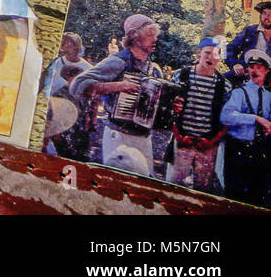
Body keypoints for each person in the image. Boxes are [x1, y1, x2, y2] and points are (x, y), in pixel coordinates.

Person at [69, 14, 163, 174]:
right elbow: (77, 85)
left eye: (155, 35)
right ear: (134, 37)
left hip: (144, 138)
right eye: (149, 35)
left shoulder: (153, 69)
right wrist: (118, 85)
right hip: (119, 135)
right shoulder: (118, 61)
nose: (154, 39)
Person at [166, 37, 229, 193]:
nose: (210, 58)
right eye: (207, 53)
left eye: (215, 54)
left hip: (207, 145)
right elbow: (167, 106)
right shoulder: (181, 75)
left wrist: (212, 141)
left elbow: (226, 119)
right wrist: (177, 133)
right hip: (182, 140)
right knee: (172, 186)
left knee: (203, 189)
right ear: (199, 53)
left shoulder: (224, 84)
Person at [219, 51, 271, 206]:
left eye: (259, 68)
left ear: (266, 71)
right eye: (251, 67)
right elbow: (226, 116)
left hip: (260, 152)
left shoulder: (269, 97)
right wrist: (255, 119)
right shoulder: (238, 93)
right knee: (234, 197)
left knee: (257, 197)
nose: (254, 71)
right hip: (238, 151)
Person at [226, 2, 271, 80]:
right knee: (220, 82)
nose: (266, 17)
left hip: (268, 78)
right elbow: (229, 48)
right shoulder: (250, 31)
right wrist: (235, 64)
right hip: (245, 73)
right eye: (264, 13)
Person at [44, 32, 92, 98]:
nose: (64, 44)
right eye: (63, 42)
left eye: (68, 42)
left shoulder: (88, 68)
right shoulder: (56, 63)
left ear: (77, 46)